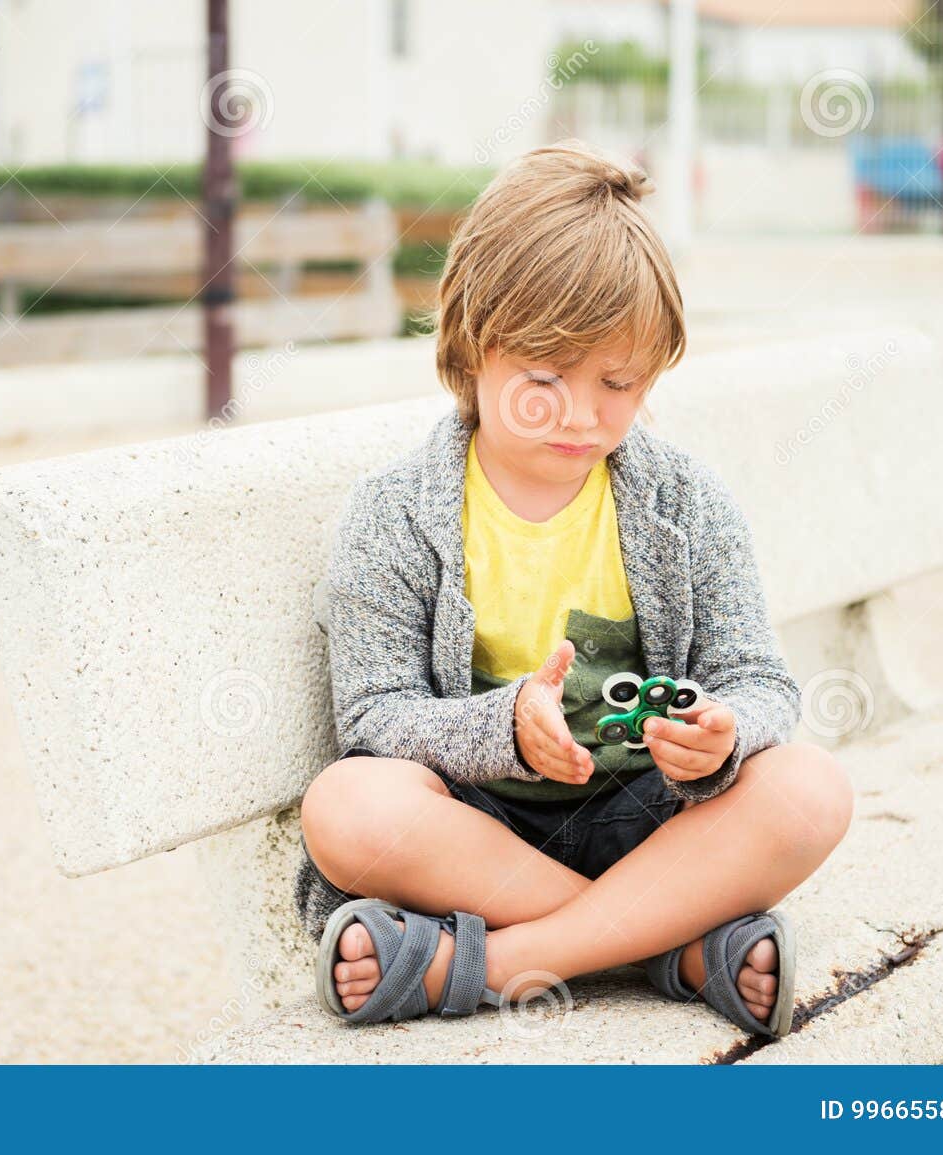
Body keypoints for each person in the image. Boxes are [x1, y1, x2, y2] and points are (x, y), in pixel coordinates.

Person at [294, 140, 852, 1037]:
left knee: (811, 788)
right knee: (346, 807)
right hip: (480, 839)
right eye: (544, 379)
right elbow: (372, 718)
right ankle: (665, 944)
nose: (582, 414)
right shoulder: (397, 513)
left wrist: (723, 736)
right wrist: (502, 725)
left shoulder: (685, 502)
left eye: (618, 382)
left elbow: (762, 681)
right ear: (472, 346)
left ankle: (477, 965)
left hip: (654, 822)